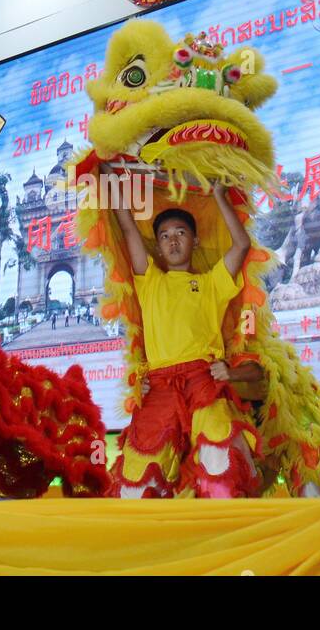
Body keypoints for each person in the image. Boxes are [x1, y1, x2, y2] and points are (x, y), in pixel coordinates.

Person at [107, 178, 262, 498]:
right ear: (158, 245)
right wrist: (110, 180)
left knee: (220, 464)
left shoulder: (211, 283)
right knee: (136, 484)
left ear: (194, 240)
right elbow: (127, 227)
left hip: (202, 379)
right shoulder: (149, 280)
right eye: (164, 236)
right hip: (159, 385)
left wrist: (219, 195)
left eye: (180, 233)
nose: (172, 241)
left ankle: (224, 540)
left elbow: (241, 245)